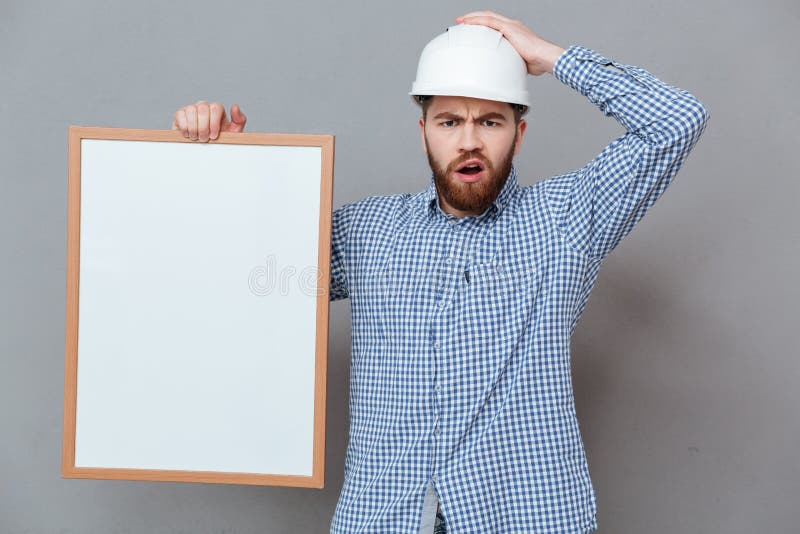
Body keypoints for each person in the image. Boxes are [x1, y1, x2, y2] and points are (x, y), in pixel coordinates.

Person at [171, 11, 709, 533]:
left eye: (490, 121)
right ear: (423, 131)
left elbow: (676, 120)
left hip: (528, 517)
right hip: (385, 518)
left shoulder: (567, 218)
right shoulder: (366, 231)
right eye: (449, 121)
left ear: (518, 134)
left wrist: (547, 55)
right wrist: (225, 162)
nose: (469, 140)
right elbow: (238, 272)